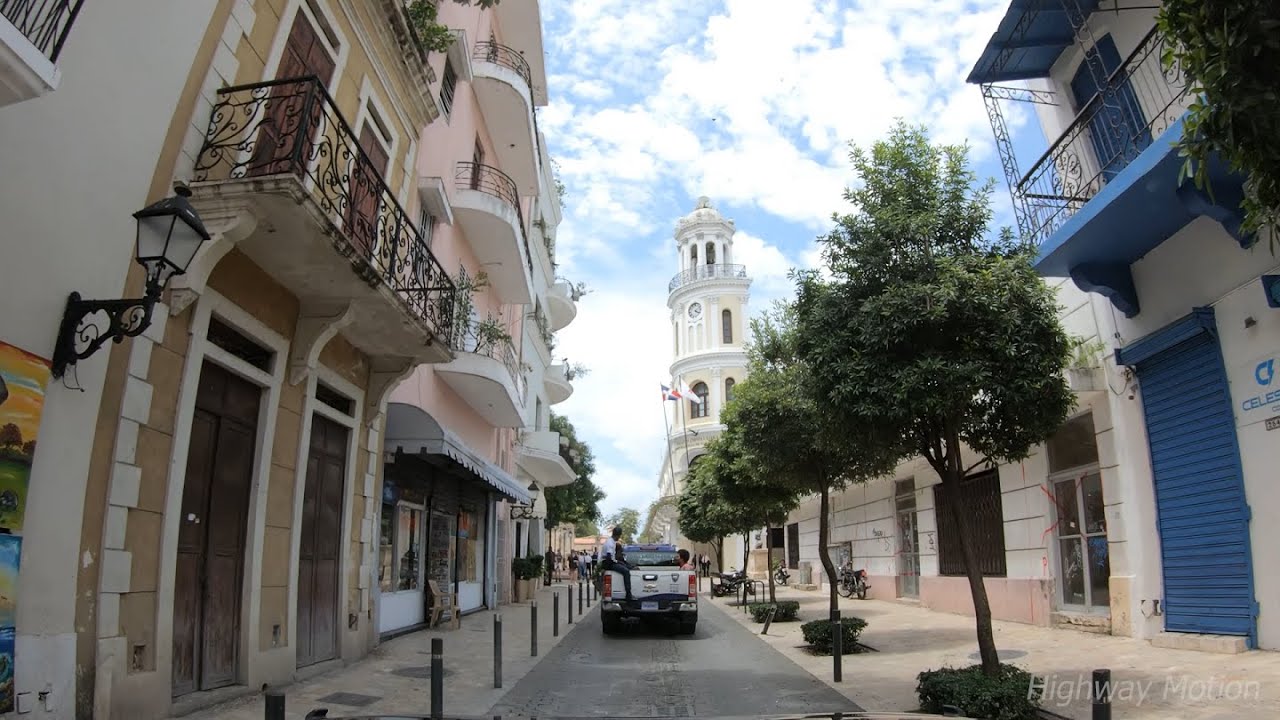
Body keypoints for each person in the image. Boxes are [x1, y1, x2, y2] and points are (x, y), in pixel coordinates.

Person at [600, 526, 635, 600]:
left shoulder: (611, 541)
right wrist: (616, 563)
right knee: (625, 571)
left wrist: (619, 562)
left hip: (610, 561)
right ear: (618, 535)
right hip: (608, 563)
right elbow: (609, 556)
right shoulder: (610, 543)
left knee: (624, 565)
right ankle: (628, 594)